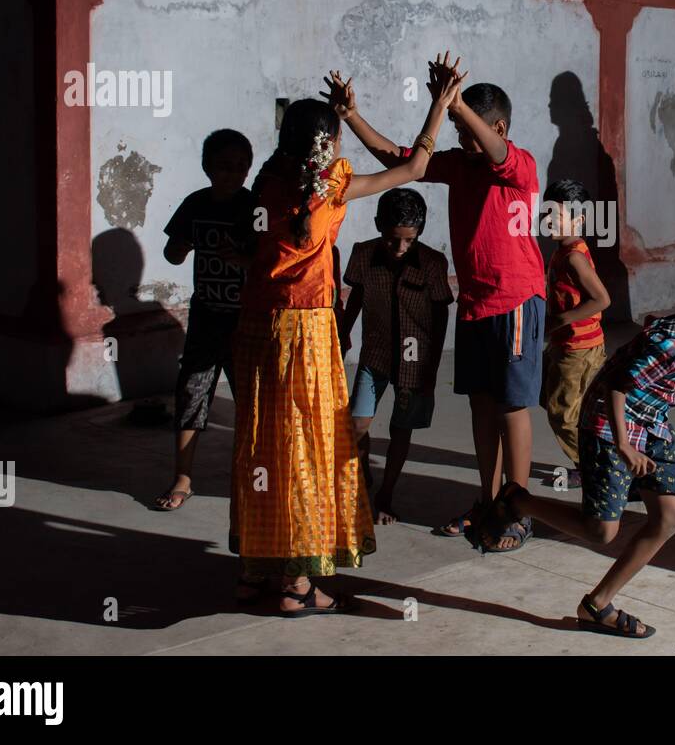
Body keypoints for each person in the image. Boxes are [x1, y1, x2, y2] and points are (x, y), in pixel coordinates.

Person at [229, 58, 456, 616]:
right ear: (329, 144)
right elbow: (416, 167)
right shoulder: (331, 187)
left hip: (257, 328)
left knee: (264, 447)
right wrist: (438, 105)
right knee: (305, 451)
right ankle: (298, 584)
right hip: (305, 330)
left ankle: (261, 569)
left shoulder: (266, 183)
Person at [484, 272, 675, 637]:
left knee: (669, 519)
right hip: (610, 424)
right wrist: (624, 445)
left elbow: (652, 344)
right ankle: (518, 501)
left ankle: (597, 604)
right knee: (601, 532)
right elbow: (616, 385)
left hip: (651, 420)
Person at [339, 60, 547, 554]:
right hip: (477, 304)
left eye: (464, 127)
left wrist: (455, 102)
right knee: (482, 405)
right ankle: (489, 500)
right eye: (455, 127)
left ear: (496, 126)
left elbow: (496, 150)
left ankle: (518, 512)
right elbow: (398, 156)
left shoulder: (519, 163)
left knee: (513, 406)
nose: (459, 137)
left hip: (515, 299)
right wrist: (352, 116)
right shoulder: (459, 165)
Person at [338, 188, 454, 525]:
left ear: (419, 233)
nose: (400, 248)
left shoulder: (433, 263)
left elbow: (441, 314)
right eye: (392, 240)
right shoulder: (362, 255)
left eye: (408, 240)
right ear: (378, 226)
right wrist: (344, 331)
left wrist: (431, 370)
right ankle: (361, 478)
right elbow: (357, 294)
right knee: (357, 424)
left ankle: (386, 493)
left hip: (415, 365)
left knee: (401, 430)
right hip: (374, 355)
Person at [153, 129, 255, 512]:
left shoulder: (254, 208)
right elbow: (171, 255)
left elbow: (272, 262)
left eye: (241, 167)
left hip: (247, 320)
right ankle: (183, 476)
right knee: (193, 392)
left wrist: (243, 260)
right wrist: (181, 247)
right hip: (206, 315)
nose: (234, 175)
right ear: (207, 168)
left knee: (251, 399)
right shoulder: (195, 205)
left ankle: (251, 474)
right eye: (225, 167)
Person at [539, 179, 610, 489]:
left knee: (562, 415)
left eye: (558, 216)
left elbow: (602, 299)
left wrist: (560, 321)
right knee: (562, 404)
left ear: (579, 220)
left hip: (578, 348)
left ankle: (592, 466)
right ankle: (593, 460)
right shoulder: (563, 250)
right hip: (569, 345)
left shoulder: (573, 257)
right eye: (547, 214)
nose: (549, 221)